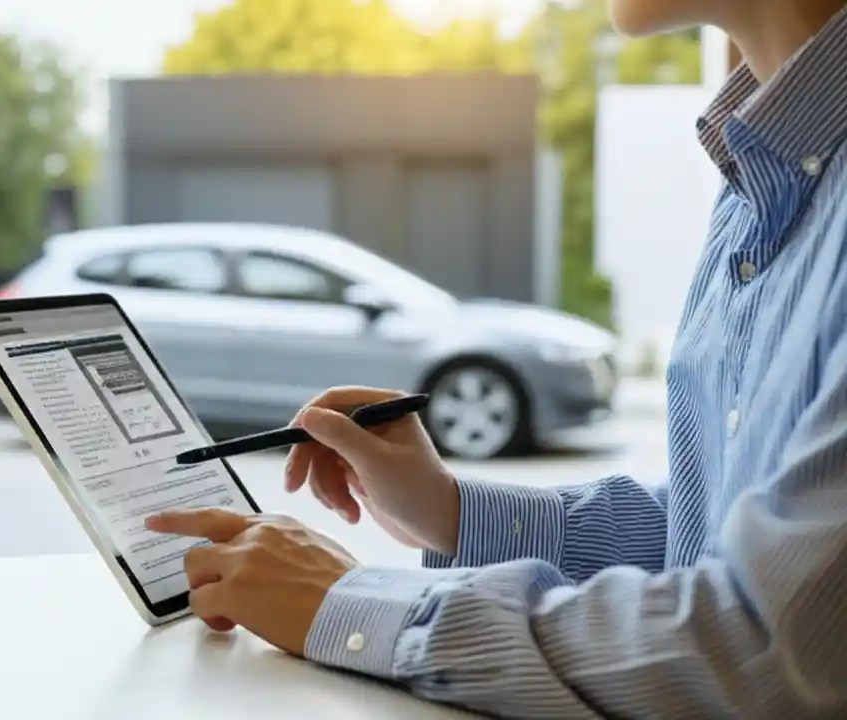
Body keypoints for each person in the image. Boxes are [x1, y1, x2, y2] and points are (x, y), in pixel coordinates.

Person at [145, 0, 847, 716]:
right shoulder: (758, 181)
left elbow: (757, 648)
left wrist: (342, 603)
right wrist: (450, 512)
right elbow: (707, 534)